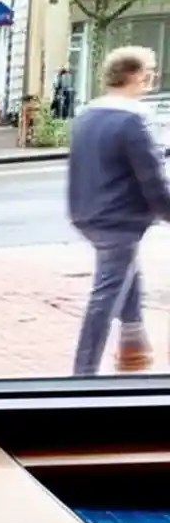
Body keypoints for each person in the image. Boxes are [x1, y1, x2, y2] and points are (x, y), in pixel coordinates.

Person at [67, 46, 170, 376]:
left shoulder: (87, 115)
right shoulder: (133, 119)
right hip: (120, 218)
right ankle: (83, 375)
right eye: (149, 71)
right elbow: (152, 178)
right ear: (136, 75)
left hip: (87, 213)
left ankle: (132, 344)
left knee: (126, 270)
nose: (152, 77)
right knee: (106, 294)